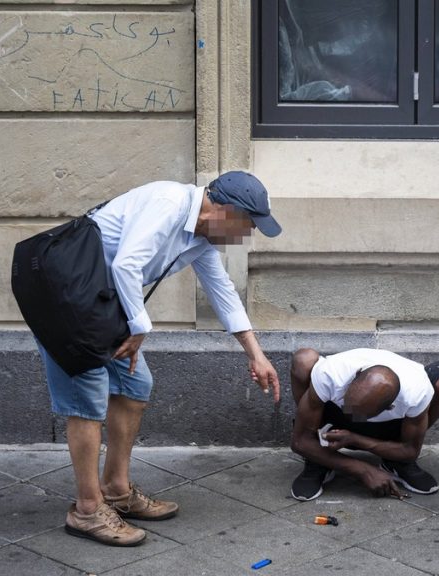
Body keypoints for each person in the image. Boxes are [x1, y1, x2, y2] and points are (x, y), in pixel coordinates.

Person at [37, 172, 283, 546]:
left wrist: (257, 356)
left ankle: (116, 489)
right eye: (245, 224)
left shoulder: (201, 237)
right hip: (63, 296)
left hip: (101, 300)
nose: (244, 236)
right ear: (220, 208)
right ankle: (87, 510)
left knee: (135, 385)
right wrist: (138, 328)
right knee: (87, 395)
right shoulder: (168, 203)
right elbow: (126, 265)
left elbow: (222, 291)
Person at [288, 348, 439, 500]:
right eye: (347, 402)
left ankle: (395, 462)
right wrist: (364, 470)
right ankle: (318, 459)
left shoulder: (416, 393)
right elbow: (299, 442)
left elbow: (410, 451)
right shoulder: (331, 374)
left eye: (358, 413)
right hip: (331, 420)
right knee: (304, 359)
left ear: (391, 407)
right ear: (355, 376)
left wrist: (354, 439)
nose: (350, 416)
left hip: (387, 427)